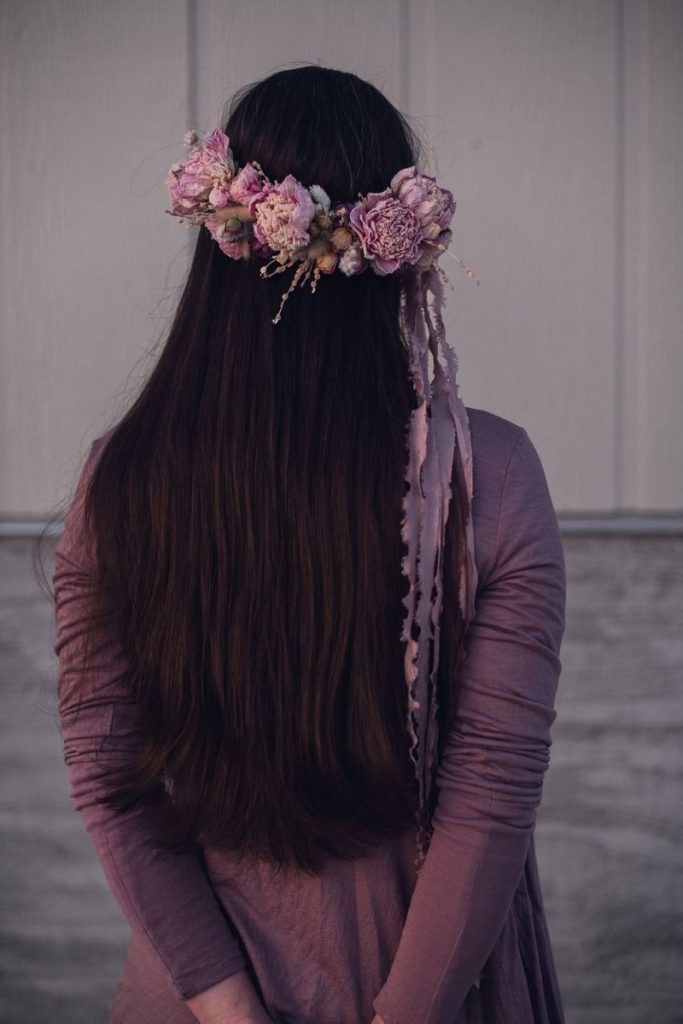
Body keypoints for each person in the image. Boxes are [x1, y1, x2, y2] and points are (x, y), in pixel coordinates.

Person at [52, 65, 567, 1024]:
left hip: (196, 989)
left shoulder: (122, 480)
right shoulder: (491, 476)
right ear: (402, 248)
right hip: (436, 980)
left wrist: (229, 1011)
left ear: (217, 235)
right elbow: (489, 797)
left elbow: (110, 778)